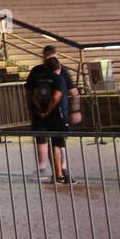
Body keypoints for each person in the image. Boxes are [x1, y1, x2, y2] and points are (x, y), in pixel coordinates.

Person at [24, 55, 72, 183]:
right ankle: (60, 174)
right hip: (56, 115)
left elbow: (33, 96)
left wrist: (40, 109)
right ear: (59, 67)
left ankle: (57, 173)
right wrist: (48, 110)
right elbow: (56, 97)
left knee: (50, 143)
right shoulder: (58, 79)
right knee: (58, 144)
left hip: (41, 116)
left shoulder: (40, 79)